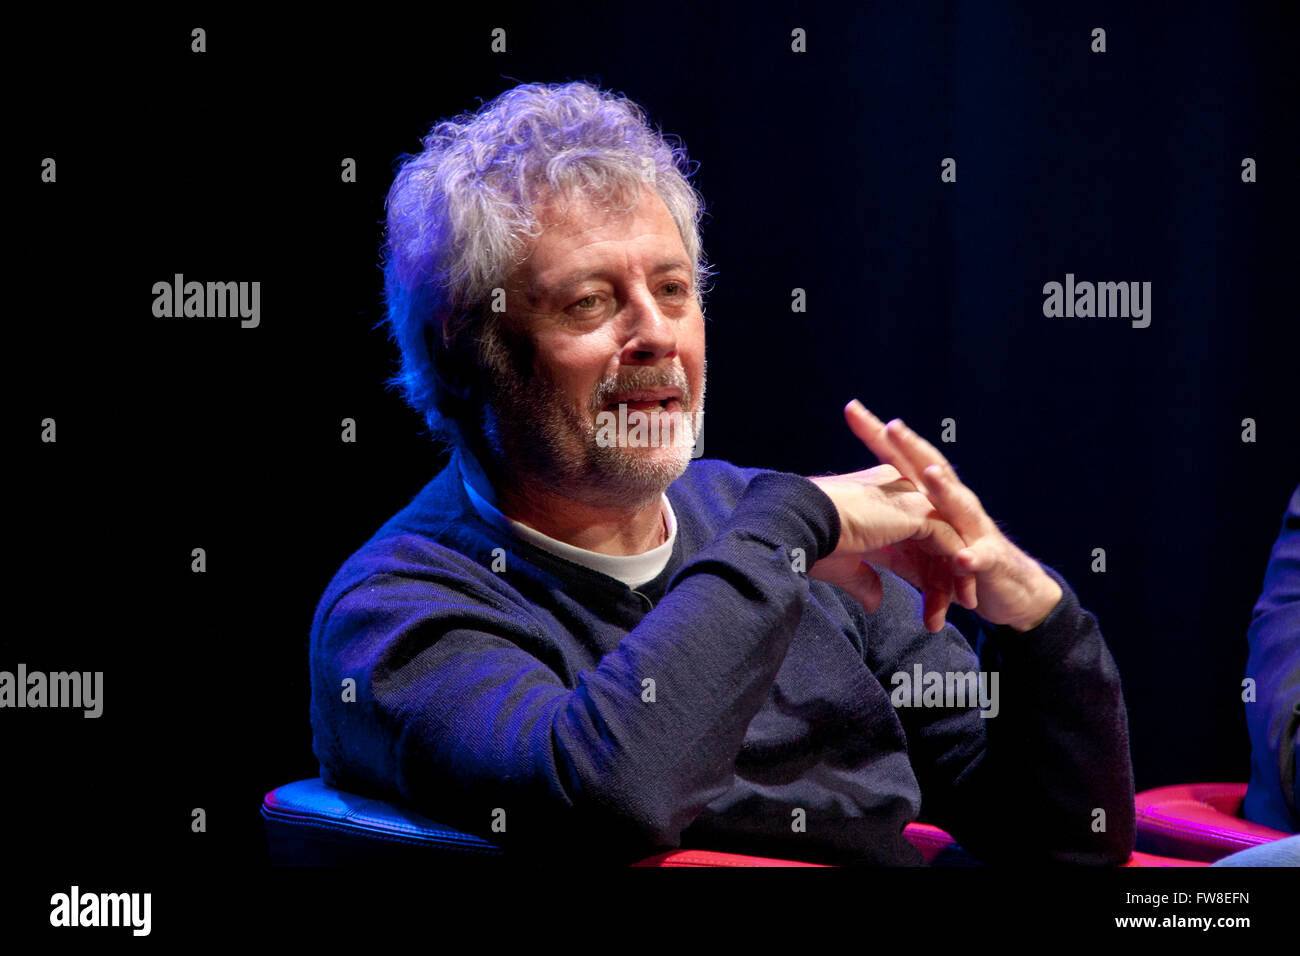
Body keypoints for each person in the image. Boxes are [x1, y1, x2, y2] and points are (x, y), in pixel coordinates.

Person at [308, 80, 1135, 865]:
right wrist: (787, 532)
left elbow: (1060, 843)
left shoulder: (772, 530)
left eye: (673, 290)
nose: (655, 333)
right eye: (590, 302)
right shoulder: (397, 611)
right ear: (465, 353)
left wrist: (1038, 624)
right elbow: (607, 793)